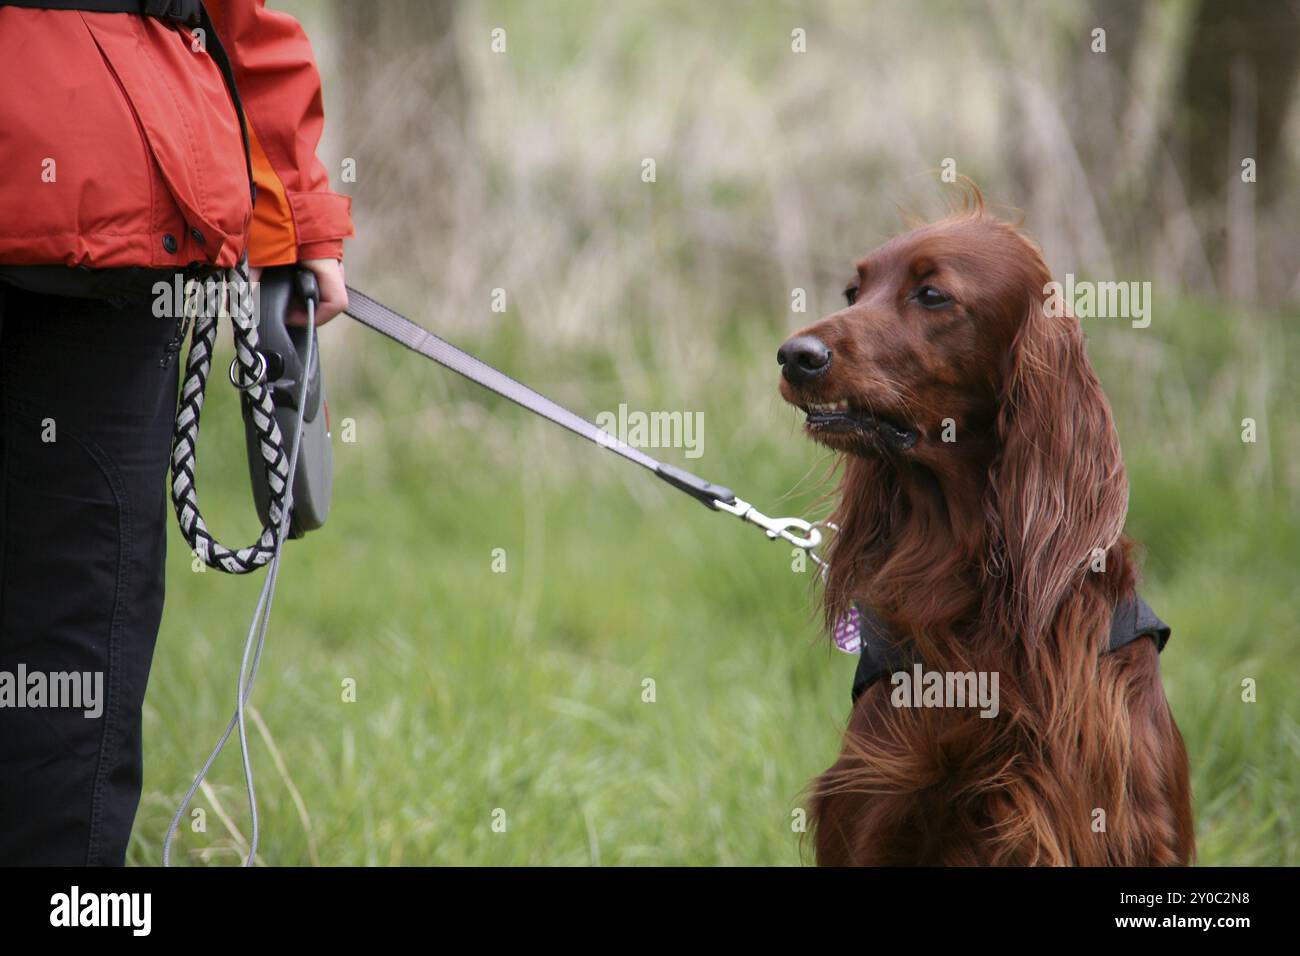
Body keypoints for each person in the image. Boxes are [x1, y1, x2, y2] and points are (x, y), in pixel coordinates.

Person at [0, 0, 353, 865]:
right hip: (105, 214)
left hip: (104, 223)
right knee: (66, 660)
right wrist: (296, 213)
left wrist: (298, 210)